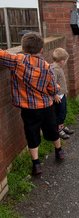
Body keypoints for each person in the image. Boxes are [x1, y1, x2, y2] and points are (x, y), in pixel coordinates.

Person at [0, 32, 64, 175]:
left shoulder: (17, 61)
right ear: (42, 49)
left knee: (32, 132)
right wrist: (56, 90)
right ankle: (59, 151)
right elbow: (53, 88)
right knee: (52, 128)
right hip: (46, 105)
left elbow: (2, 54)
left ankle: (36, 164)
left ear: (23, 48)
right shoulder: (46, 67)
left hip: (28, 107)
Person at [51, 47, 74, 140]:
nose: (65, 63)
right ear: (62, 61)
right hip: (58, 97)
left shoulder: (57, 67)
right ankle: (59, 129)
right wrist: (55, 94)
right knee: (60, 113)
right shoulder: (55, 70)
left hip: (61, 95)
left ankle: (61, 126)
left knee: (63, 111)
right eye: (65, 61)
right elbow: (52, 83)